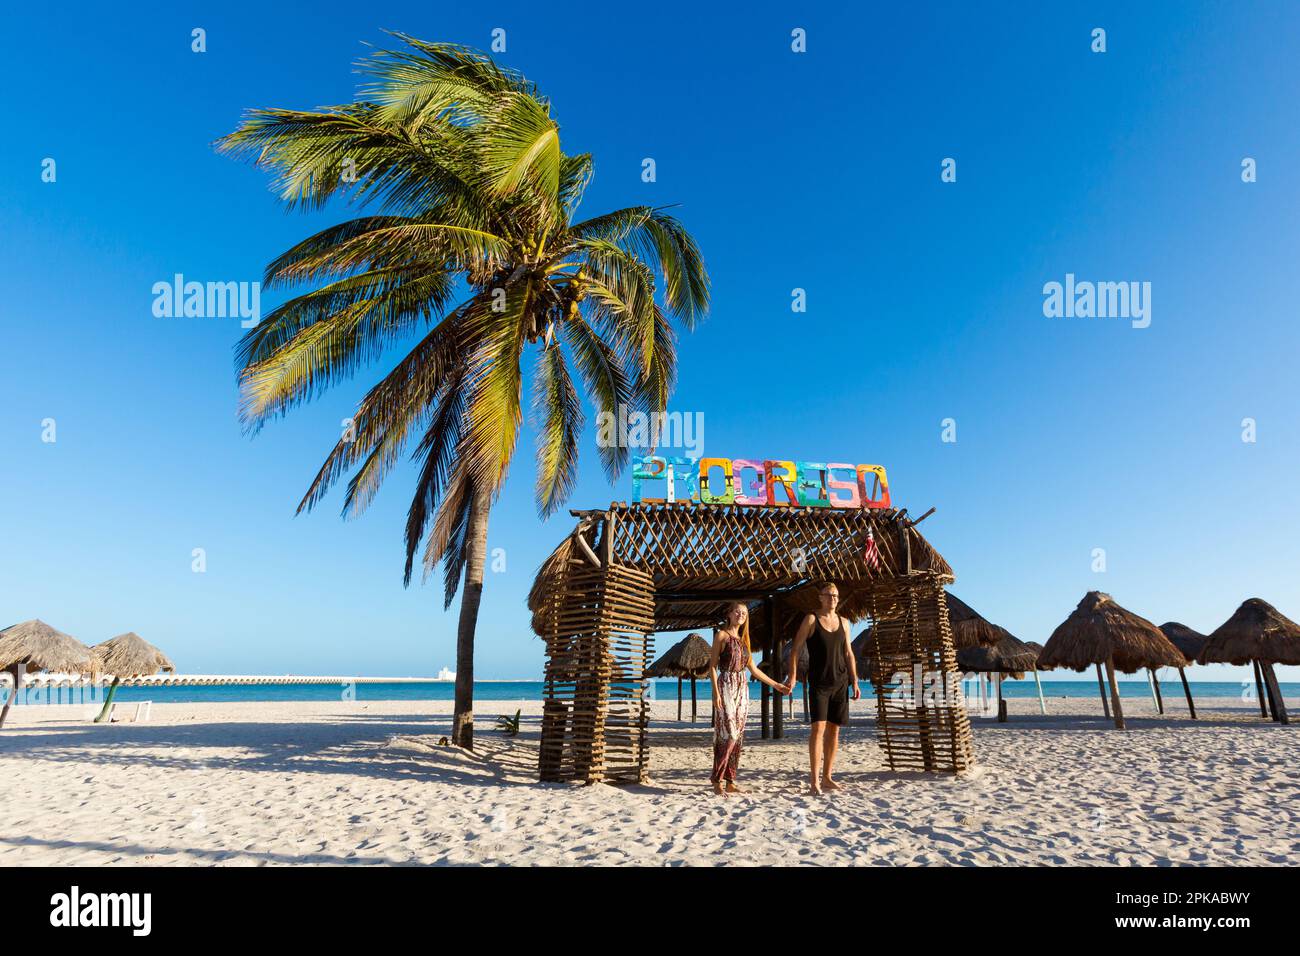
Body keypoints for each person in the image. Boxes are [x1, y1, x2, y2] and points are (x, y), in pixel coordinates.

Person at [709, 602, 790, 796]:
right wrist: (716, 693)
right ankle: (717, 779)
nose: (741, 614)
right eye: (737, 611)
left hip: (742, 688)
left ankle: (730, 780)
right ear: (728, 613)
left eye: (744, 612)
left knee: (738, 737)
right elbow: (712, 666)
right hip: (726, 684)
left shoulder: (745, 642)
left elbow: (754, 670)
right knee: (729, 733)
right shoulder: (721, 636)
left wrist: (777, 685)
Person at [788, 583, 860, 794]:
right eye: (829, 595)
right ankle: (814, 781)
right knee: (817, 729)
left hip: (840, 682)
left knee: (834, 731)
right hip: (819, 682)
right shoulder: (811, 619)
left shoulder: (845, 623)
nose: (833, 599)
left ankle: (827, 777)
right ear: (820, 597)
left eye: (836, 596)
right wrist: (792, 676)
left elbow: (849, 654)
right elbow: (795, 649)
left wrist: (854, 680)